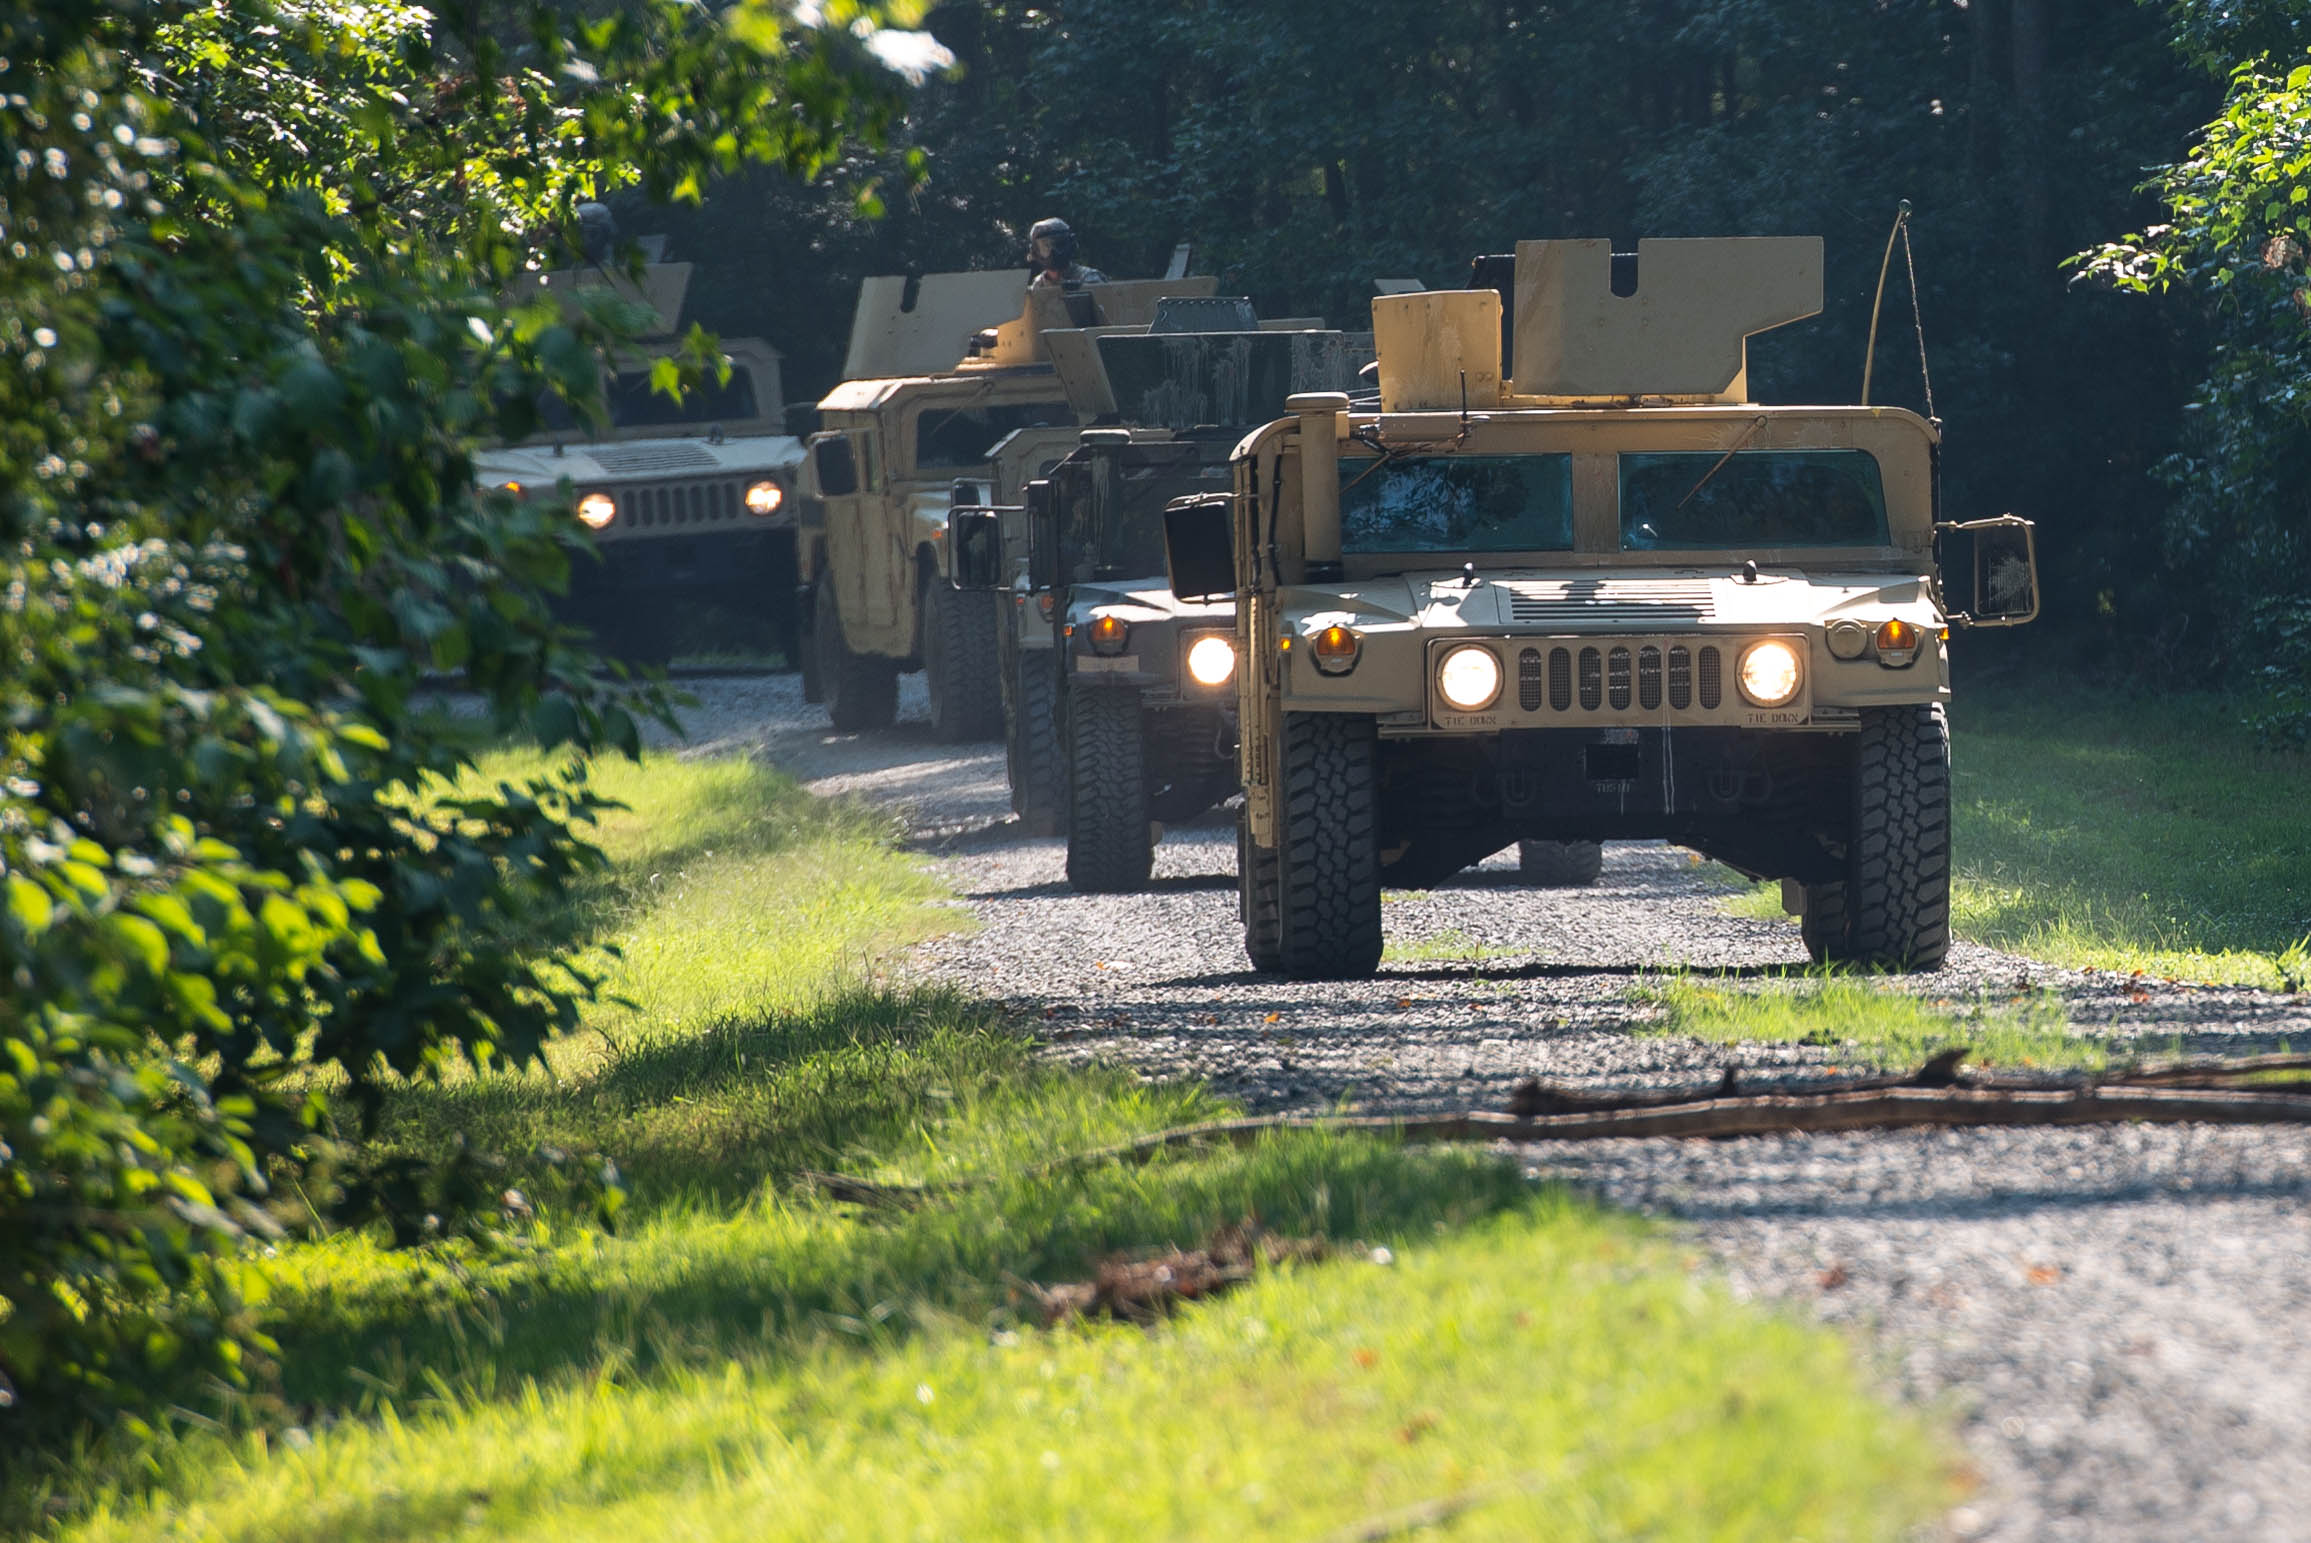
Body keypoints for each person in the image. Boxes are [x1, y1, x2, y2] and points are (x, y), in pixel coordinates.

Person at [1025, 217, 1107, 287]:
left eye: (1059, 244)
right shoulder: (1038, 283)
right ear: (1035, 251)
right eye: (1045, 246)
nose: (1053, 251)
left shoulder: (1088, 278)